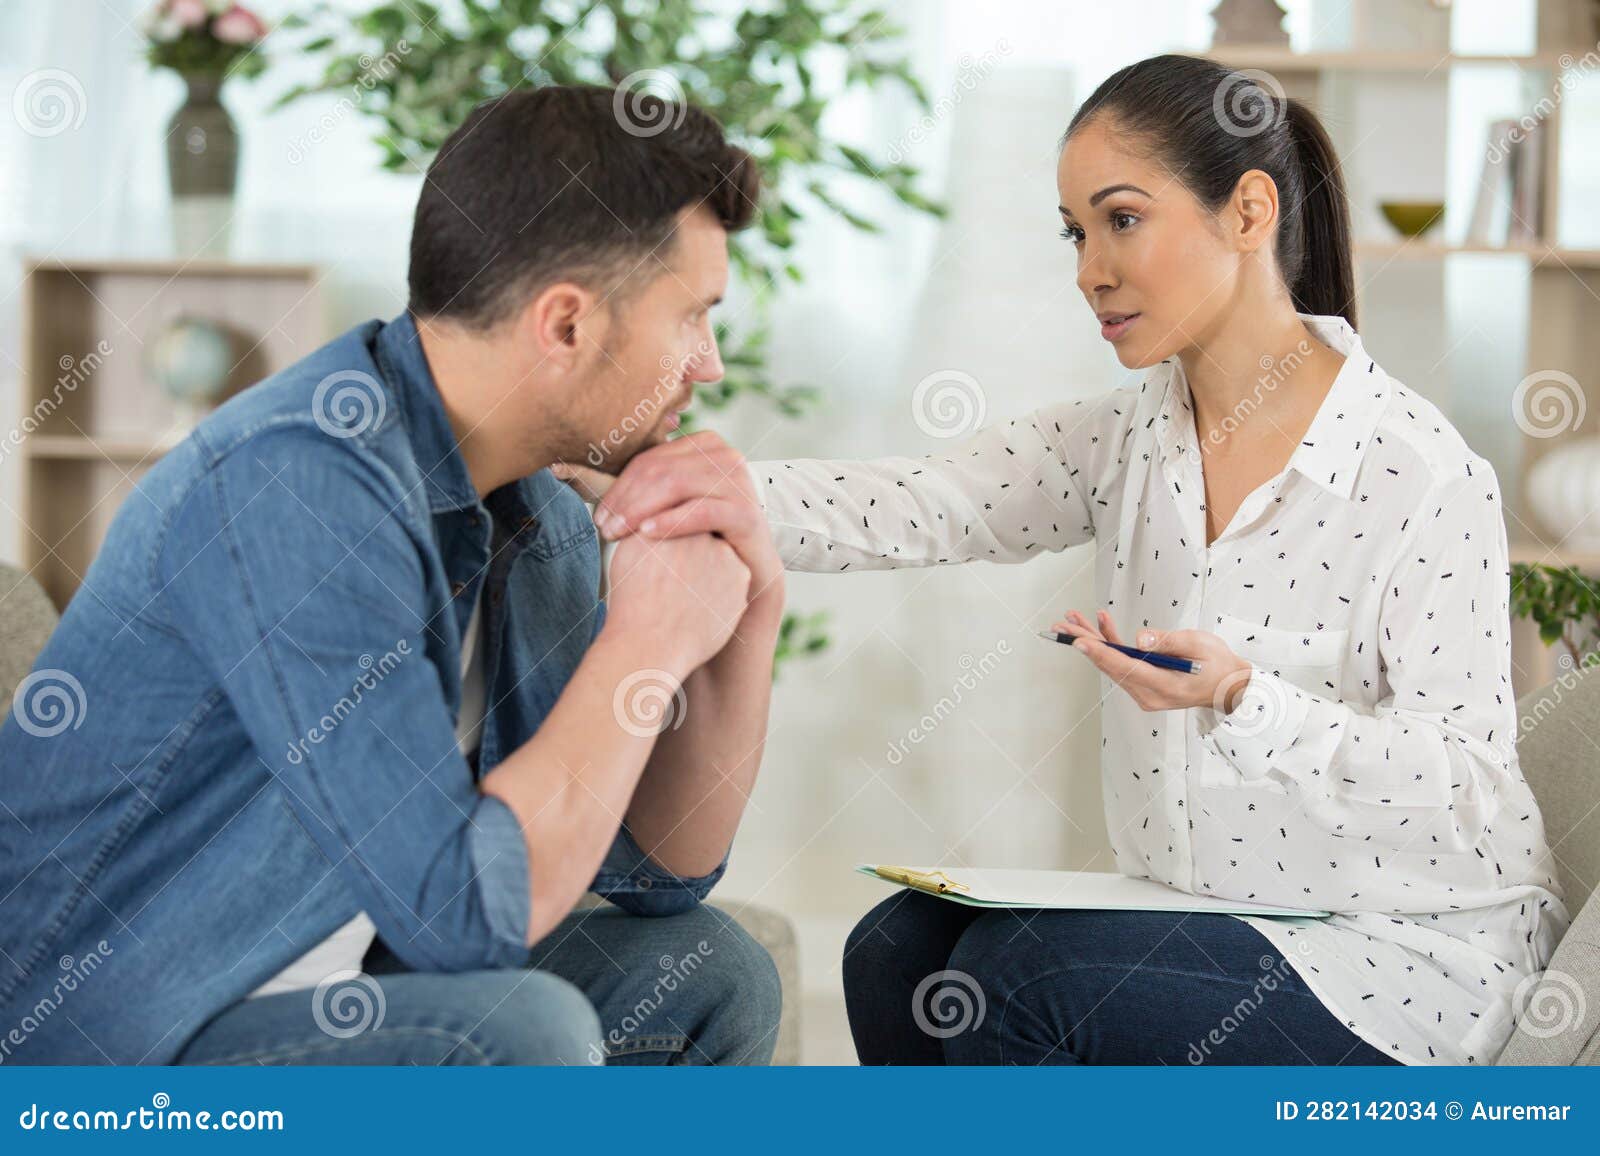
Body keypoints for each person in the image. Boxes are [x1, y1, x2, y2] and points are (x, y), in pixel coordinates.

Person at [583, 54, 1569, 1065]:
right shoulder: (1128, 439)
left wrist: (1244, 699)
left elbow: (1463, 783)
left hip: (1404, 960)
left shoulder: (1417, 472)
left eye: (1122, 219)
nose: (1089, 269)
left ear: (1247, 212)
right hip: (1220, 916)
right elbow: (929, 502)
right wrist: (688, 489)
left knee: (1024, 984)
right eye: (1075, 232)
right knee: (896, 952)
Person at [0, 85, 784, 1066]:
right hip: (99, 1054)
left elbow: (659, 873)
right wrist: (647, 637)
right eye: (692, 317)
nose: (706, 364)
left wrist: (748, 611)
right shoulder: (296, 481)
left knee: (713, 973)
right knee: (523, 1037)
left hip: (334, 993)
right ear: (567, 325)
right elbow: (465, 912)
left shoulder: (531, 508)